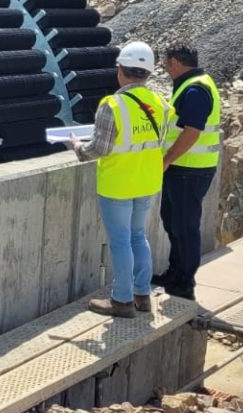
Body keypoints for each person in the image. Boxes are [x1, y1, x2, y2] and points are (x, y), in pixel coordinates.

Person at [65, 42, 171, 318]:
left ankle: (121, 301)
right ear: (147, 73)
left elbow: (99, 148)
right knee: (138, 236)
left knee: (121, 240)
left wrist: (76, 146)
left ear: (120, 70)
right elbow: (156, 141)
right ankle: (142, 295)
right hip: (146, 181)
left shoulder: (113, 105)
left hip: (118, 184)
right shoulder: (160, 103)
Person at [153, 43, 221, 301]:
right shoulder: (192, 84)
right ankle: (175, 273)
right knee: (174, 221)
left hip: (189, 169)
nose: (164, 68)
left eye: (166, 63)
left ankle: (184, 283)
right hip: (185, 168)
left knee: (185, 225)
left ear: (176, 63)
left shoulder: (195, 89)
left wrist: (167, 160)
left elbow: (192, 131)